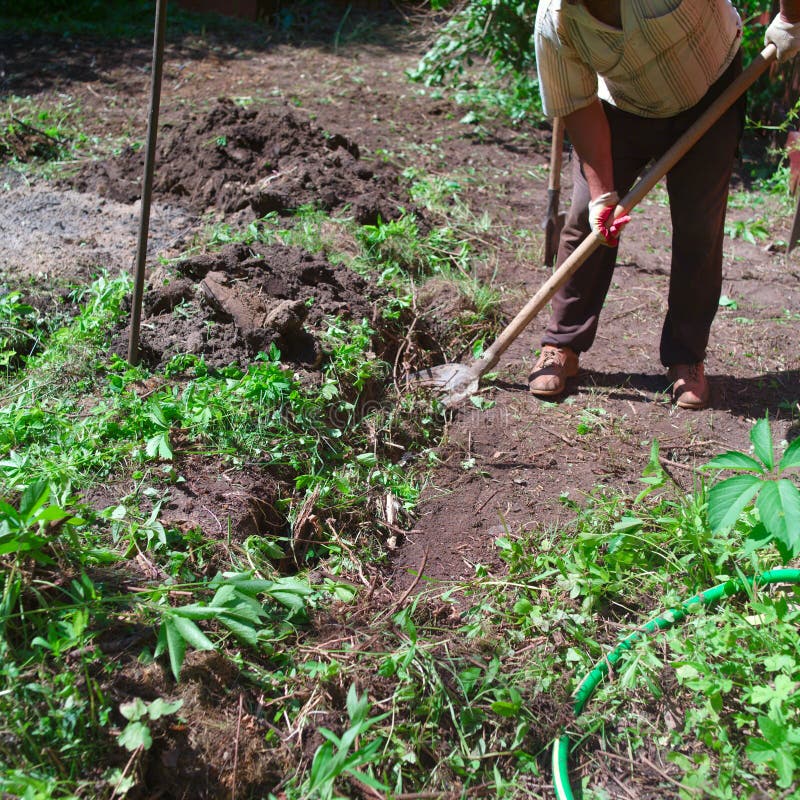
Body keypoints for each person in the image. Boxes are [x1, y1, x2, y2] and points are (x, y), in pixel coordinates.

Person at [530, 0, 800, 409]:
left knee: (698, 229)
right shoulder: (555, 22)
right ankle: (561, 344)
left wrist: (791, 17)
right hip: (620, 107)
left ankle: (685, 358)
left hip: (712, 90)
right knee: (587, 220)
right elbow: (577, 104)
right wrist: (604, 194)